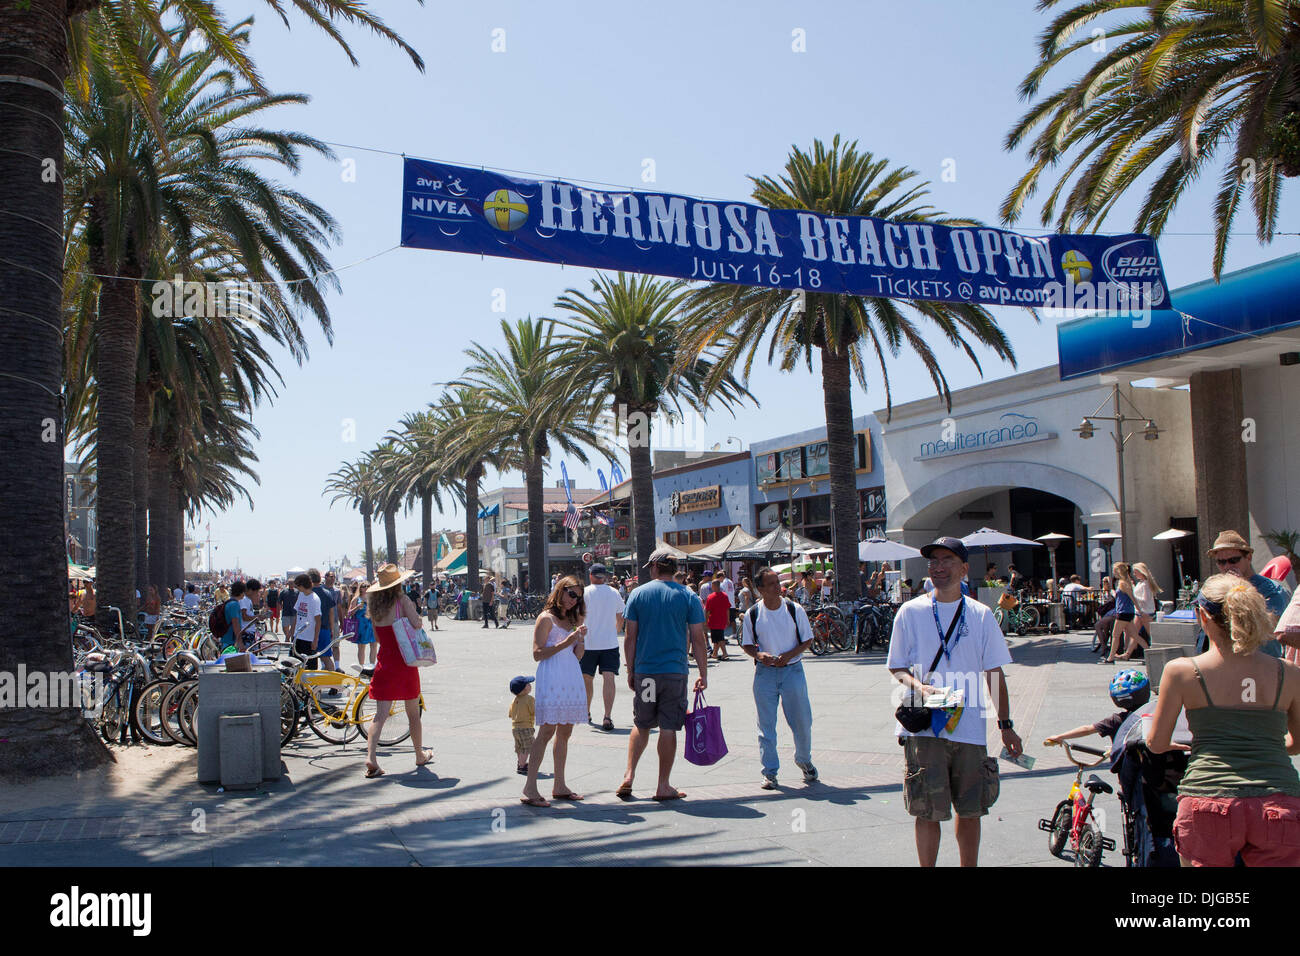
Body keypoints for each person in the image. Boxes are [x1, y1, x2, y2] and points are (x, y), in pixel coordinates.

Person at [886, 536, 1022, 867]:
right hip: (926, 728)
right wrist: (921, 688)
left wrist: (1006, 726)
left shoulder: (981, 615)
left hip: (970, 728)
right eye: (934, 562)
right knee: (926, 810)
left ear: (964, 569)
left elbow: (994, 673)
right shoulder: (910, 611)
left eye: (947, 560)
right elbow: (897, 666)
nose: (939, 567)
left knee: (971, 809)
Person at [1147, 574, 1300, 866]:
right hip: (1278, 800)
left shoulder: (1181, 671)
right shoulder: (1289, 673)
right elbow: (1297, 743)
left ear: (1202, 616)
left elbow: (1156, 743)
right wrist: (1264, 743)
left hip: (1208, 799)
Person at [617, 555, 707, 802]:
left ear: (656, 567)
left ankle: (629, 774)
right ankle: (663, 785)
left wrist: (631, 669)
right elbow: (698, 638)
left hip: (647, 673)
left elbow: (630, 637)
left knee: (642, 723)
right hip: (674, 674)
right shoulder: (688, 596)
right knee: (669, 726)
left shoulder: (638, 594)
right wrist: (703, 672)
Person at [741, 566, 818, 788]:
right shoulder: (753, 614)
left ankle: (804, 760)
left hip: (792, 670)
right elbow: (746, 643)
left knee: (802, 721)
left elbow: (807, 640)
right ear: (761, 589)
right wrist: (758, 654)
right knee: (766, 725)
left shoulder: (795, 610)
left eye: (778, 582)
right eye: (772, 583)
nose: (778, 587)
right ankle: (770, 771)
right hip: (765, 673)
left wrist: (789, 655)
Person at [520, 576, 589, 807]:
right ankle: (530, 787)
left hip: (570, 675)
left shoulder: (570, 620)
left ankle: (559, 784)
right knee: (547, 730)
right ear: (560, 590)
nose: (574, 600)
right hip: (551, 676)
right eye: (571, 594)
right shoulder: (545, 618)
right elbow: (537, 654)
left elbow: (578, 655)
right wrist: (565, 641)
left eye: (578, 597)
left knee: (565, 732)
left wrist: (579, 638)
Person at [362, 564, 433, 777]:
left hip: (385, 663)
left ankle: (371, 757)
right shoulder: (402, 601)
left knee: (380, 715)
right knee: (413, 713)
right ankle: (419, 754)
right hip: (405, 663)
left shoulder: (374, 607)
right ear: (398, 583)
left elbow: (377, 637)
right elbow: (417, 624)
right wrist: (417, 620)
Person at [1202, 530, 1291, 657]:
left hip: (1262, 664)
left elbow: (1267, 630)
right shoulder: (1217, 589)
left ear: (1248, 557)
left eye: (1233, 560)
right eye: (1221, 562)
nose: (1227, 566)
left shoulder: (1271, 590)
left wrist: (1241, 587)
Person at [1045, 669, 1151, 748]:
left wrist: (1060, 736)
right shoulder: (1155, 714)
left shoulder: (1115, 720)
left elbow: (1087, 729)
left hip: (1127, 774)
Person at [581, 564, 625, 730]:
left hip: (588, 643)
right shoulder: (614, 593)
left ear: (591, 575)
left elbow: (578, 617)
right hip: (609, 643)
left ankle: (586, 712)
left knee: (587, 679)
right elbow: (620, 616)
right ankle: (607, 716)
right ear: (605, 576)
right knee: (609, 678)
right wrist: (615, 631)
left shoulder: (584, 592)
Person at [1101, 563, 1143, 664]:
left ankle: (1110, 658)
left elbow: (1132, 597)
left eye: (1115, 571)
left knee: (1116, 635)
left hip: (1123, 612)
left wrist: (1138, 609)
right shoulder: (1125, 582)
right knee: (1135, 635)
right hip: (1126, 612)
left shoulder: (1122, 583)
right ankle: (1149, 651)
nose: (1113, 573)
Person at [309, 568, 340, 672]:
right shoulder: (327, 593)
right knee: (326, 657)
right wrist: (331, 629)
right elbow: (331, 613)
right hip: (325, 628)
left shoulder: (309, 593)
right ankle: (335, 685)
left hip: (312, 630)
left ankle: (313, 684)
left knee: (310, 659)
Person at [291, 573, 322, 667]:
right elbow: (297, 614)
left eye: (297, 586)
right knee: (295, 664)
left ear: (302, 585)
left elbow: (318, 621)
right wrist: (291, 632)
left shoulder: (315, 599)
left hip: (309, 638)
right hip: (298, 636)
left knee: (309, 666)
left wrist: (315, 639)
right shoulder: (301, 595)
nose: (297, 588)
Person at [509, 676, 536, 775]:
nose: (530, 685)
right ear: (524, 689)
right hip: (526, 727)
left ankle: (521, 762)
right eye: (528, 684)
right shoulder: (529, 699)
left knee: (519, 747)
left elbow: (510, 714)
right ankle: (522, 765)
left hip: (515, 728)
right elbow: (534, 711)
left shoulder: (514, 700)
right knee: (528, 747)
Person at [349, 583, 377, 670]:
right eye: (363, 586)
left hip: (371, 624)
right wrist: (357, 607)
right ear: (360, 588)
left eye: (368, 586)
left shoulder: (372, 598)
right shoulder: (356, 599)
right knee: (361, 646)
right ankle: (361, 667)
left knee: (374, 645)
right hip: (361, 625)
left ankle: (371, 667)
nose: (366, 588)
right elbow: (349, 613)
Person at [704, 575, 732, 661]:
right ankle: (715, 654)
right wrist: (727, 619)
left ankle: (724, 653)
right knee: (717, 638)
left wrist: (705, 621)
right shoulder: (725, 595)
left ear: (715, 586)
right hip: (722, 619)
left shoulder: (710, 597)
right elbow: (728, 609)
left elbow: (707, 611)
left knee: (719, 638)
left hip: (714, 620)